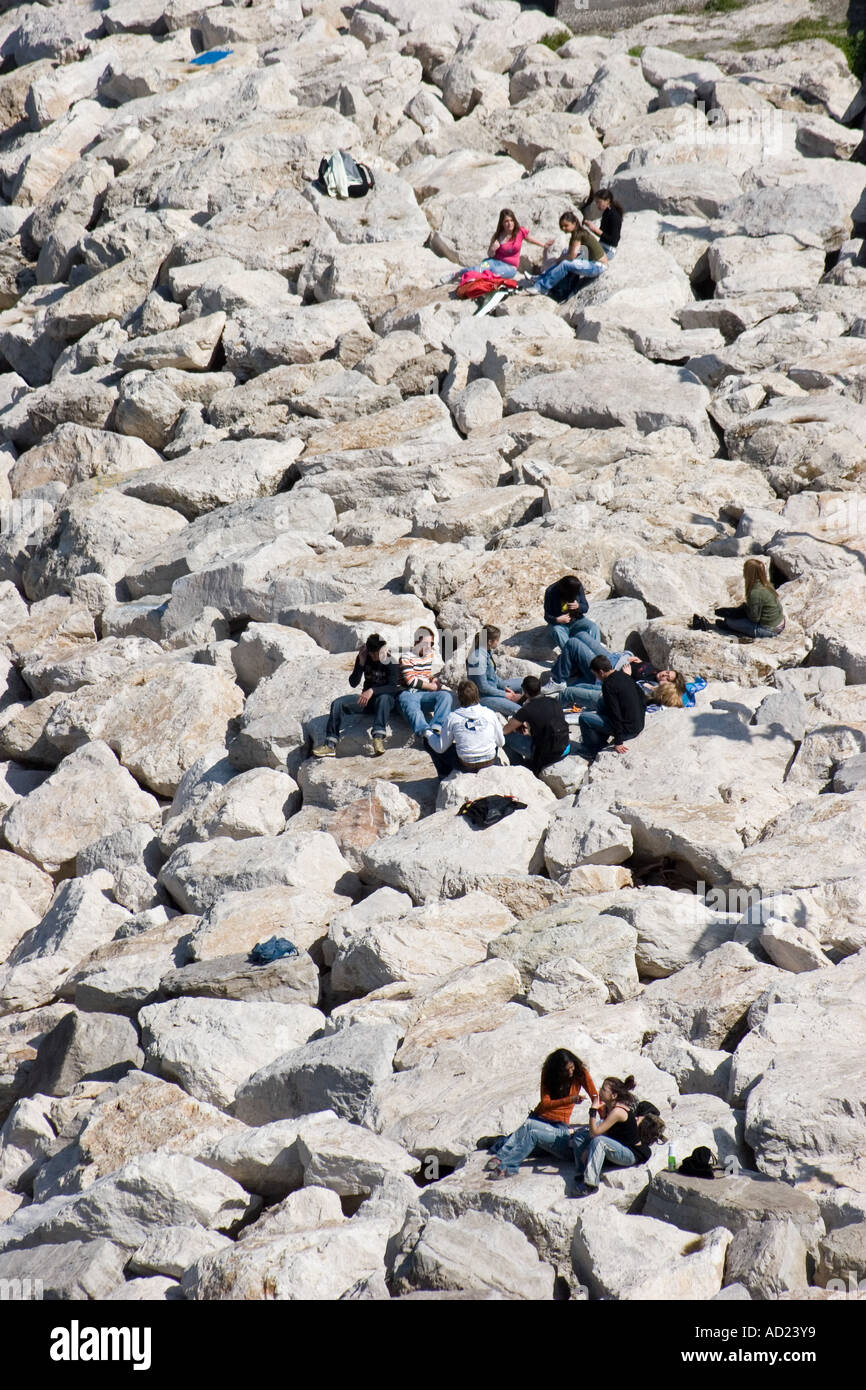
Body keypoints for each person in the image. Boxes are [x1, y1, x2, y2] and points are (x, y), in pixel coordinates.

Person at [485, 1049, 598, 1180]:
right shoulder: (548, 1073)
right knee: (528, 1136)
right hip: (540, 1116)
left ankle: (498, 1143)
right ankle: (501, 1157)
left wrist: (605, 1117)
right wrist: (571, 1100)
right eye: (565, 1070)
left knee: (530, 1145)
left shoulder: (580, 1073)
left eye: (572, 1068)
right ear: (556, 1070)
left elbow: (595, 1096)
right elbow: (545, 1103)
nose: (570, 1072)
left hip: (559, 1124)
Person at [571, 1075, 665, 1196]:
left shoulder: (618, 1111)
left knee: (599, 1141)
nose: (600, 1091)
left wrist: (593, 1110)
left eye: (604, 1090)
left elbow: (595, 1133)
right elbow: (603, 1132)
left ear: (613, 1096)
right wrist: (588, 1149)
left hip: (631, 1153)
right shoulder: (609, 1108)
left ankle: (590, 1184)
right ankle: (581, 1173)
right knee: (580, 1135)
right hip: (618, 1145)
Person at [312, 633, 398, 758]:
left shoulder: (391, 661)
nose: (375, 657)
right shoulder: (364, 658)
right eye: (372, 654)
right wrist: (361, 663)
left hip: (385, 702)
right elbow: (353, 683)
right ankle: (330, 744)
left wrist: (372, 691)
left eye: (378, 653)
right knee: (338, 704)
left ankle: (378, 738)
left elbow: (392, 687)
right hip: (367, 701)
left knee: (384, 698)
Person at [424, 679, 504, 776]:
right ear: (477, 695)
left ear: (459, 698)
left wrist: (427, 733)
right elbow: (501, 743)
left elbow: (441, 748)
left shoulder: (453, 717)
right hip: (490, 761)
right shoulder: (489, 713)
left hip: (466, 764)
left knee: (428, 741)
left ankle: (445, 775)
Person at [576, 654, 646, 760]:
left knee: (584, 718)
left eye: (596, 674)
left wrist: (618, 741)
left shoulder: (608, 685)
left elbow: (615, 713)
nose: (597, 677)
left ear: (601, 672)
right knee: (601, 701)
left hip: (627, 730)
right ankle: (600, 736)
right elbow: (642, 696)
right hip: (638, 724)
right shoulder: (624, 676)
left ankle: (591, 750)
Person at [528, 210, 608, 297]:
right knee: (564, 255)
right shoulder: (577, 232)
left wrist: (559, 259)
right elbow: (571, 252)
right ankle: (540, 278)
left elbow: (572, 256)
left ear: (574, 223)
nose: (563, 228)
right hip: (593, 263)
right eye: (562, 226)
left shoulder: (578, 234)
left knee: (565, 264)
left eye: (566, 226)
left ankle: (541, 287)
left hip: (598, 266)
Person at [503, 676, 571, 775]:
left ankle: (520, 766)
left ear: (525, 692)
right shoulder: (554, 702)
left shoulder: (527, 710)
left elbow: (505, 730)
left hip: (547, 754)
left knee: (505, 738)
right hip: (564, 747)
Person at [397, 626, 453, 737]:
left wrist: (433, 679)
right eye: (425, 643)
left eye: (431, 644)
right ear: (416, 642)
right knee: (413, 707)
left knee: (446, 696)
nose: (429, 647)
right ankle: (425, 732)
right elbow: (411, 681)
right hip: (408, 693)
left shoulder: (429, 655)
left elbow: (424, 674)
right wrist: (432, 687)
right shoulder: (406, 657)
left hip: (424, 694)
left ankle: (437, 727)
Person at [466, 208, 553, 279]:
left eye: (511, 220)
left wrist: (543, 245)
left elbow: (530, 239)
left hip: (510, 267)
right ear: (502, 223)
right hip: (494, 262)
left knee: (495, 273)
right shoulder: (497, 236)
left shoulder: (520, 232)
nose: (510, 223)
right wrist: (493, 248)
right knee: (477, 269)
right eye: (506, 221)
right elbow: (490, 254)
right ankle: (457, 274)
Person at [711, 559, 785, 640]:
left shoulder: (755, 592)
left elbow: (754, 618)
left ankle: (729, 626)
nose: (743, 571)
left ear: (749, 573)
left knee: (730, 621)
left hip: (770, 630)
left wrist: (741, 611)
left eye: (744, 569)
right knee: (733, 617)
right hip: (781, 623)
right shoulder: (767, 584)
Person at [465, 626, 524, 718]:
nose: (498, 642)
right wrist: (505, 695)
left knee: (525, 682)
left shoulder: (486, 652)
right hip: (483, 697)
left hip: (493, 687)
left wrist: (504, 687)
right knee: (520, 711)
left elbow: (493, 676)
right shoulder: (479, 658)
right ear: (489, 642)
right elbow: (483, 687)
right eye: (497, 640)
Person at [543, 574, 601, 652]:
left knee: (593, 627)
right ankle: (573, 654)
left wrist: (578, 606)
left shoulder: (577, 586)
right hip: (560, 625)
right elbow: (547, 616)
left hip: (576, 621)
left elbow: (585, 607)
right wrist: (557, 620)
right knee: (556, 631)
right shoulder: (551, 591)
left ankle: (596, 654)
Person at [582, 188, 624, 258]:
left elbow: (614, 240)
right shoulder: (607, 212)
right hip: (602, 245)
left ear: (607, 201)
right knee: (581, 251)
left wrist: (595, 230)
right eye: (596, 202)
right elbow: (602, 234)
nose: (597, 205)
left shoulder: (614, 215)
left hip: (608, 250)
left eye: (599, 202)